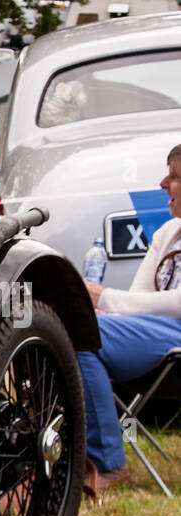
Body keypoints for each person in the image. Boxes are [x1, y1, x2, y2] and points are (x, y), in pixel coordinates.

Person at [78, 147, 181, 497]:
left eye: (175, 177)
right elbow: (138, 298)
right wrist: (105, 313)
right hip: (157, 332)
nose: (163, 183)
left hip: (173, 334)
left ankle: (106, 463)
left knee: (81, 332)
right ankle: (74, 456)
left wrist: (104, 298)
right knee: (74, 325)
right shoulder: (169, 231)